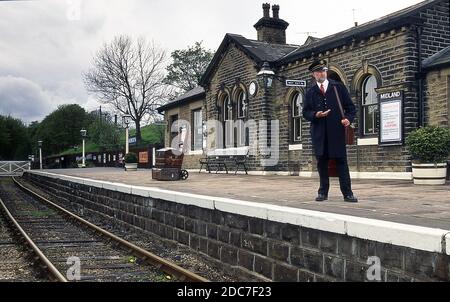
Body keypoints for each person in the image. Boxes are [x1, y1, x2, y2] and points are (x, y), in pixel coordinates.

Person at [302, 59, 358, 203]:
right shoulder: (310, 92)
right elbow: (306, 112)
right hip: (319, 134)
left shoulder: (338, 87)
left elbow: (351, 108)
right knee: (322, 163)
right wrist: (316, 115)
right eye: (318, 71)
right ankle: (323, 193)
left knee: (341, 162)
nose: (322, 73)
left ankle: (348, 193)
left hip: (337, 132)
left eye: (323, 70)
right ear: (314, 74)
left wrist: (348, 119)